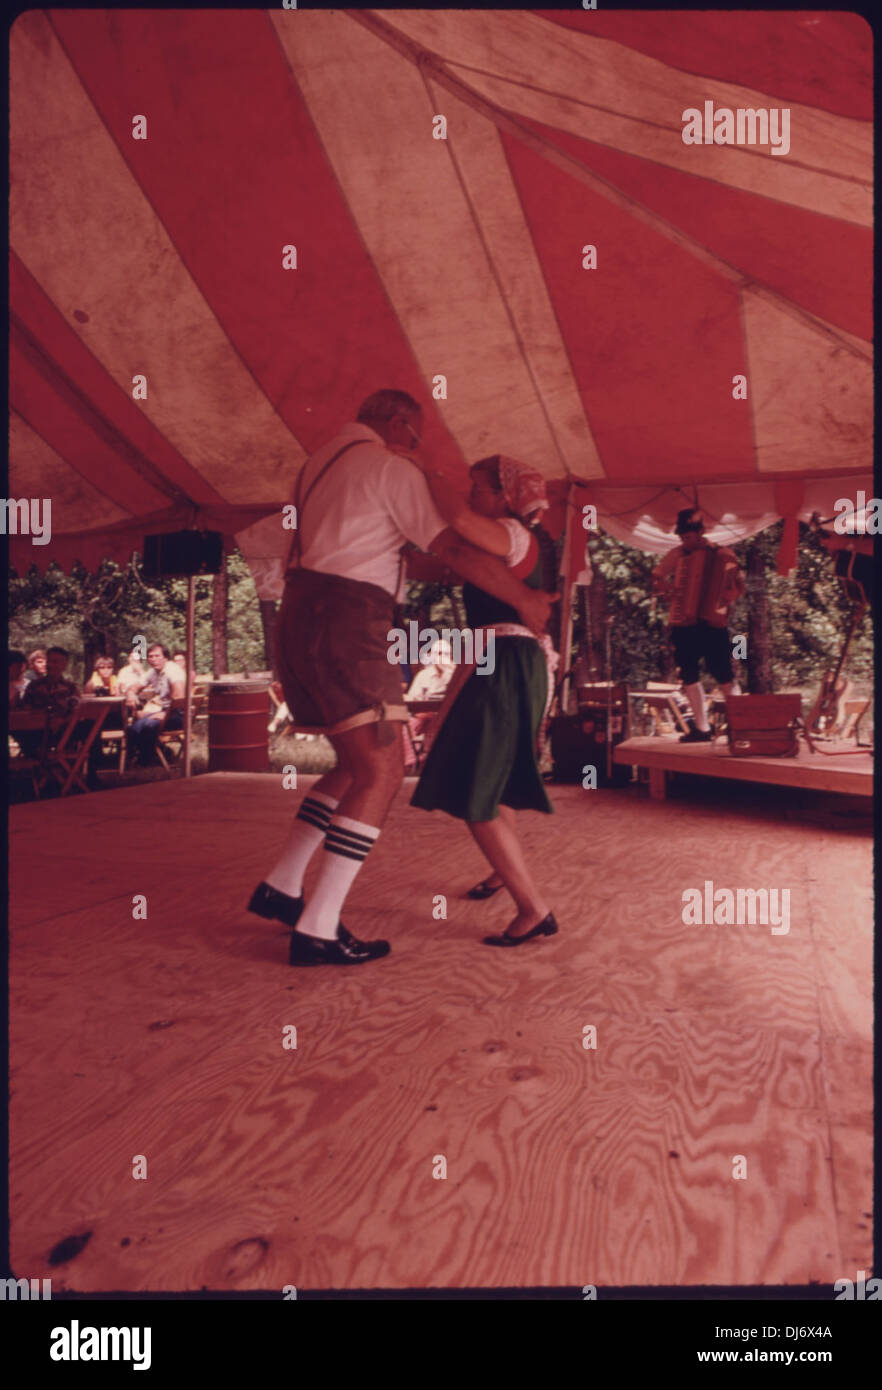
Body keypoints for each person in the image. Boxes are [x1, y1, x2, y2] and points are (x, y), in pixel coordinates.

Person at [248, 388, 553, 967]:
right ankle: (317, 926)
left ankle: (283, 886)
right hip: (349, 622)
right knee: (384, 767)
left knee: (353, 765)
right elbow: (454, 545)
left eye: (480, 486)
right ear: (398, 425)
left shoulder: (316, 467)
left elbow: (404, 551)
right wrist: (526, 601)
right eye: (415, 434)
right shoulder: (391, 468)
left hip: (301, 617)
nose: (418, 445)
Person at [410, 455, 559, 945]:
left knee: (477, 793)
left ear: (504, 495)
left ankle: (533, 908)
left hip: (506, 661)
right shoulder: (516, 551)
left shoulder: (513, 535)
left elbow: (456, 522)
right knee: (493, 784)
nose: (470, 495)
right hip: (513, 661)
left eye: (477, 487)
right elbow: (450, 569)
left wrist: (426, 470)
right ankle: (504, 871)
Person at [651, 508, 745, 742]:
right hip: (684, 622)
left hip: (712, 622)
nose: (685, 541)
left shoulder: (723, 553)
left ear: (701, 532)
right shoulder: (677, 555)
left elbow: (738, 584)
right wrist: (667, 589)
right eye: (682, 537)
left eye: (689, 537)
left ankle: (741, 725)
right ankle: (701, 729)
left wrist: (733, 593)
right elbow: (657, 577)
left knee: (724, 673)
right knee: (689, 674)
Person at [126, 644, 185, 765]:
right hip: (165, 710)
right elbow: (135, 686)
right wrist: (131, 693)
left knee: (148, 725)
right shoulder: (153, 672)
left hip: (178, 714)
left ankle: (148, 758)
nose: (154, 659)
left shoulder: (173, 671)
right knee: (133, 727)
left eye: (157, 656)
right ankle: (151, 754)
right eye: (150, 656)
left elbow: (179, 696)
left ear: (165, 658)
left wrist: (165, 714)